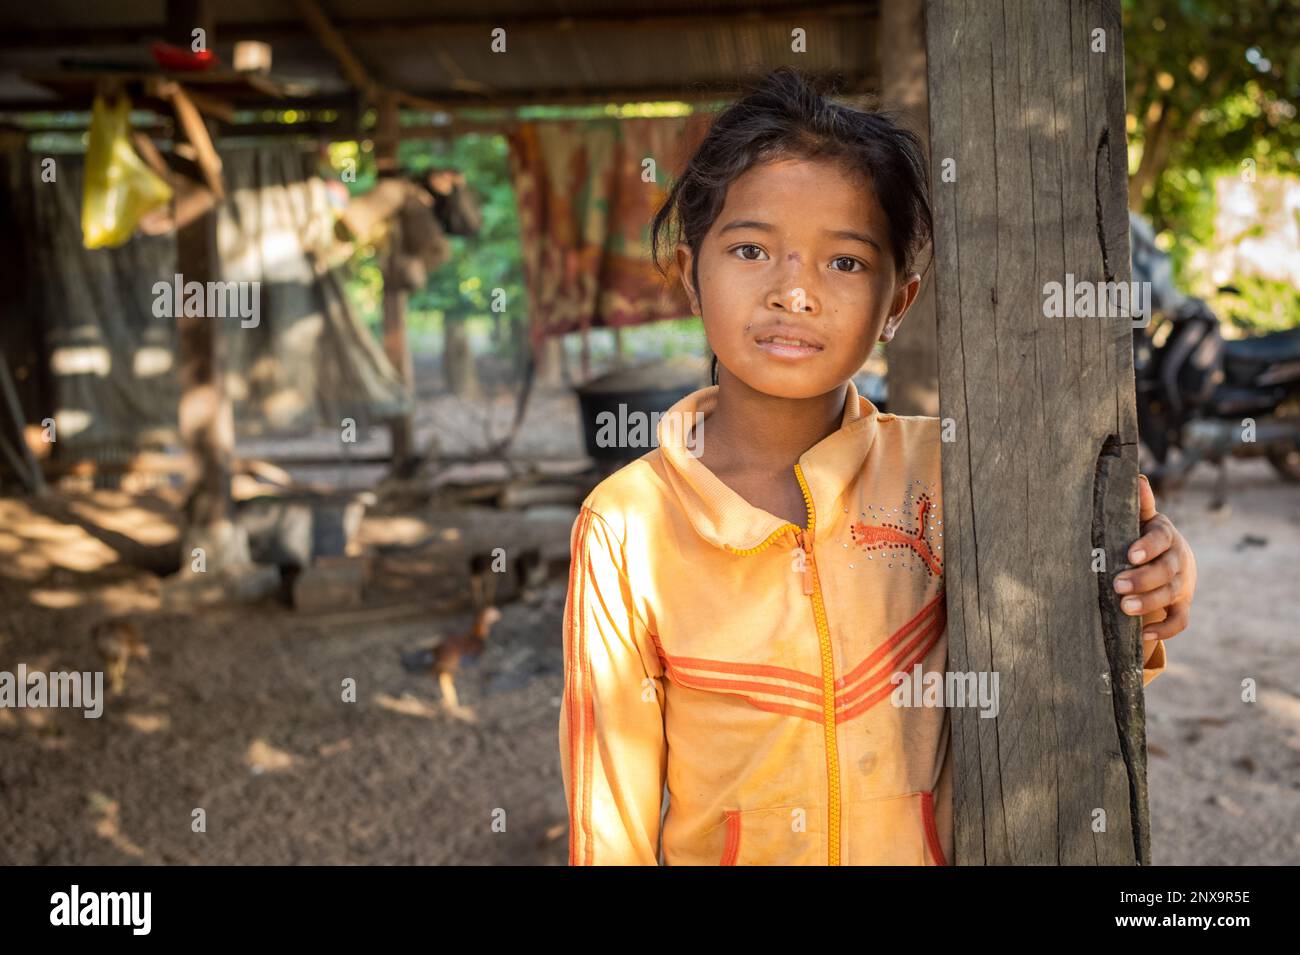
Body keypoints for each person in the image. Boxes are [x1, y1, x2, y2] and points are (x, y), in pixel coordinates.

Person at [559, 67, 1198, 866]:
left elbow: (1066, 662)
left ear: (899, 302)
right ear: (689, 272)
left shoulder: (954, 470)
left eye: (846, 263)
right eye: (752, 248)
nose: (794, 291)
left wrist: (1148, 585)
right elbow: (606, 807)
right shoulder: (626, 524)